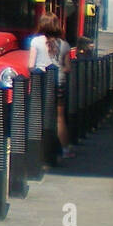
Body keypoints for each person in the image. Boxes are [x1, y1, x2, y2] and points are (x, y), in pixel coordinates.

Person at [28, 14, 73, 159]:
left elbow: (30, 65)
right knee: (59, 118)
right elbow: (67, 68)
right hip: (58, 84)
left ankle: (37, 149)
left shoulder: (35, 41)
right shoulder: (64, 44)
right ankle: (65, 150)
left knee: (38, 115)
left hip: (40, 82)